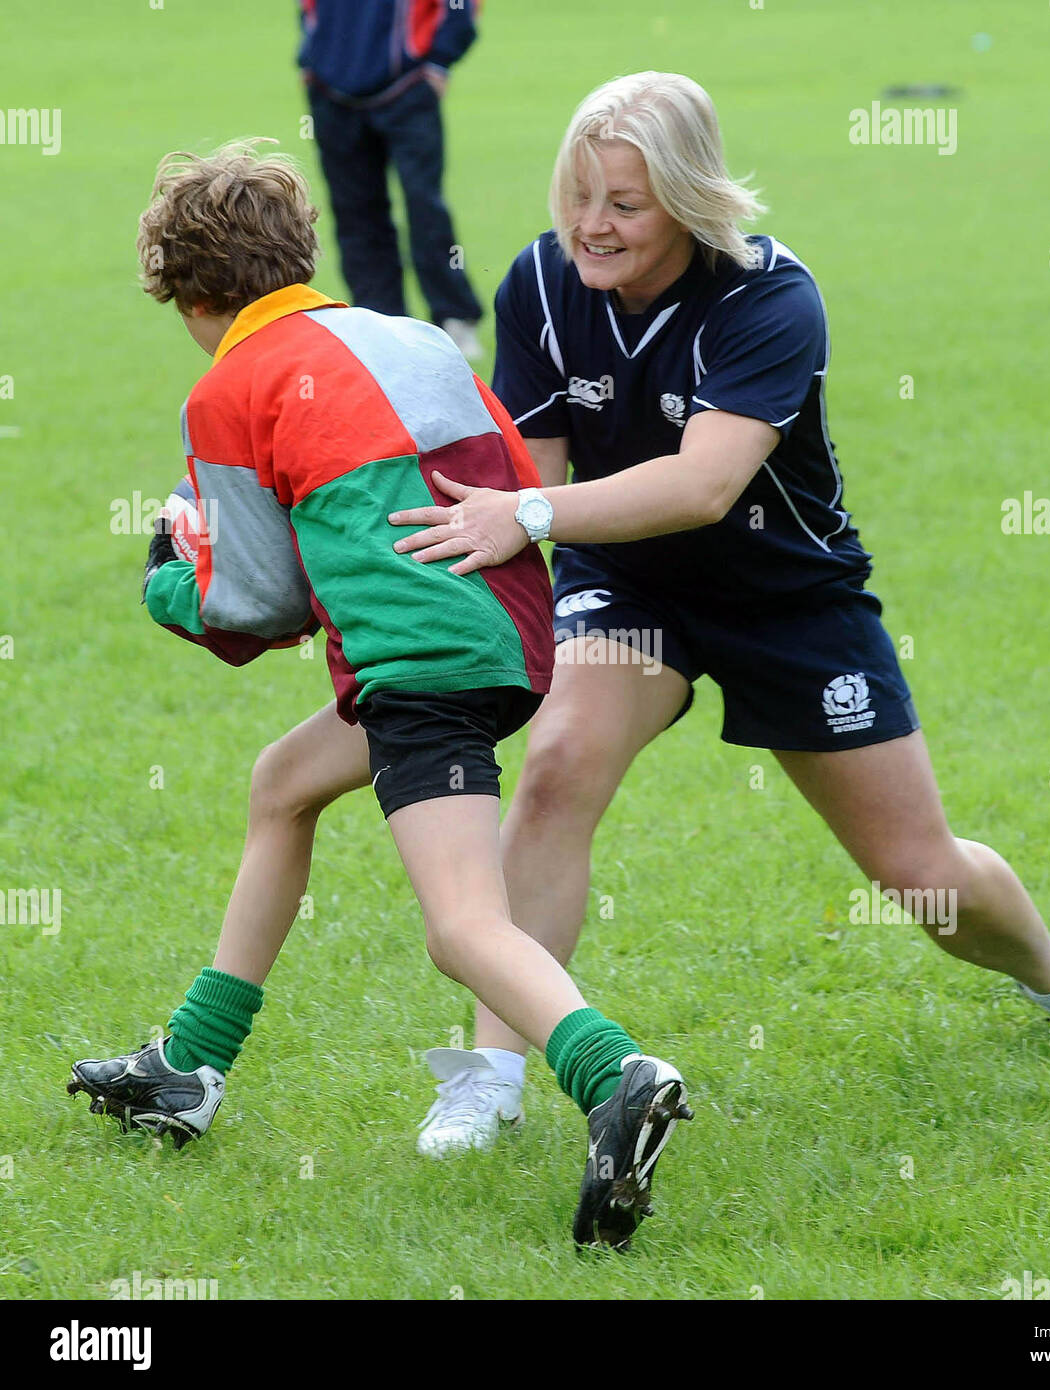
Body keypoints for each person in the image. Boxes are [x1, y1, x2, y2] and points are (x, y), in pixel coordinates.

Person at [382, 70, 1050, 1147]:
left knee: (919, 876)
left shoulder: (770, 296)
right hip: (629, 584)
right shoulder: (540, 283)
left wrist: (530, 509)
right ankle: (491, 1070)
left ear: (684, 196)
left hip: (786, 596)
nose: (592, 225)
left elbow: (702, 484)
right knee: (558, 767)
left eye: (624, 204)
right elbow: (526, 477)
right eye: (578, 195)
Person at [67, 141, 691, 1251]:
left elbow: (254, 598)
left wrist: (168, 578)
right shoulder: (407, 333)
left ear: (193, 296)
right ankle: (190, 1067)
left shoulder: (226, 388)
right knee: (283, 784)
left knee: (461, 925)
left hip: (422, 667)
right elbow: (504, 474)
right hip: (511, 629)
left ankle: (618, 1077)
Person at [298, 0, 485, 359]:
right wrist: (310, 58)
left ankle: (455, 316)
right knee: (355, 215)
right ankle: (379, 325)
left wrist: (439, 61)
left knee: (423, 206)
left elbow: (461, 8)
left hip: (408, 87)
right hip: (330, 92)